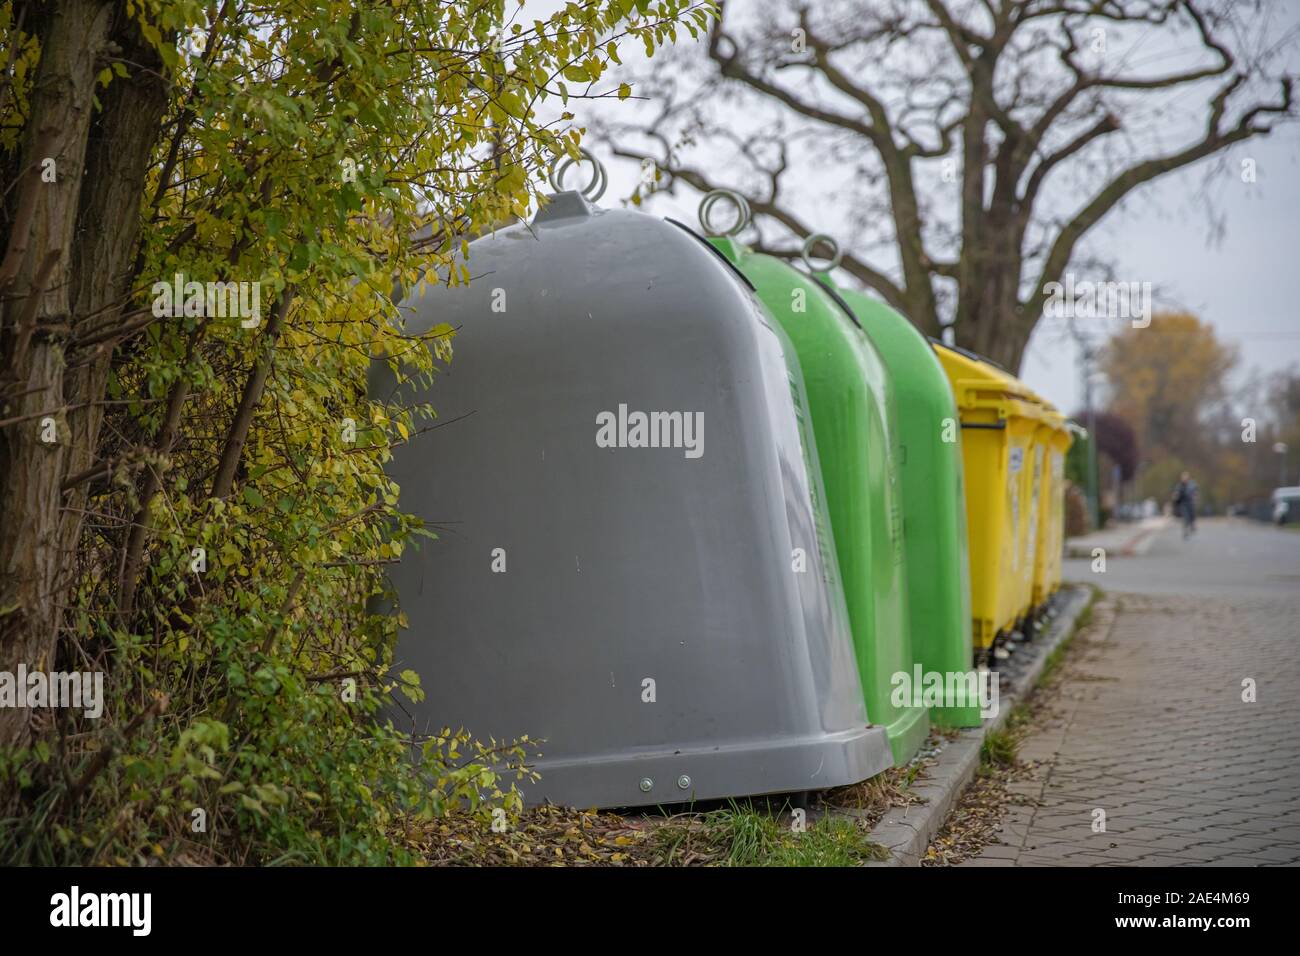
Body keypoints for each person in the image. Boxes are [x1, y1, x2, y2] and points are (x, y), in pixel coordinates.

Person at [1172, 471, 1198, 538]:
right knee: (1186, 517)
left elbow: (1195, 492)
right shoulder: (1179, 485)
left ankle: (1192, 525)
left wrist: (1195, 498)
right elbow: (1176, 494)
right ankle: (1185, 531)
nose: (1184, 478)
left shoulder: (1192, 484)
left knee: (1192, 515)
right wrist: (1175, 496)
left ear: (1188, 477)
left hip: (1190, 503)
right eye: (1183, 477)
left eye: (1186, 477)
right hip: (1183, 504)